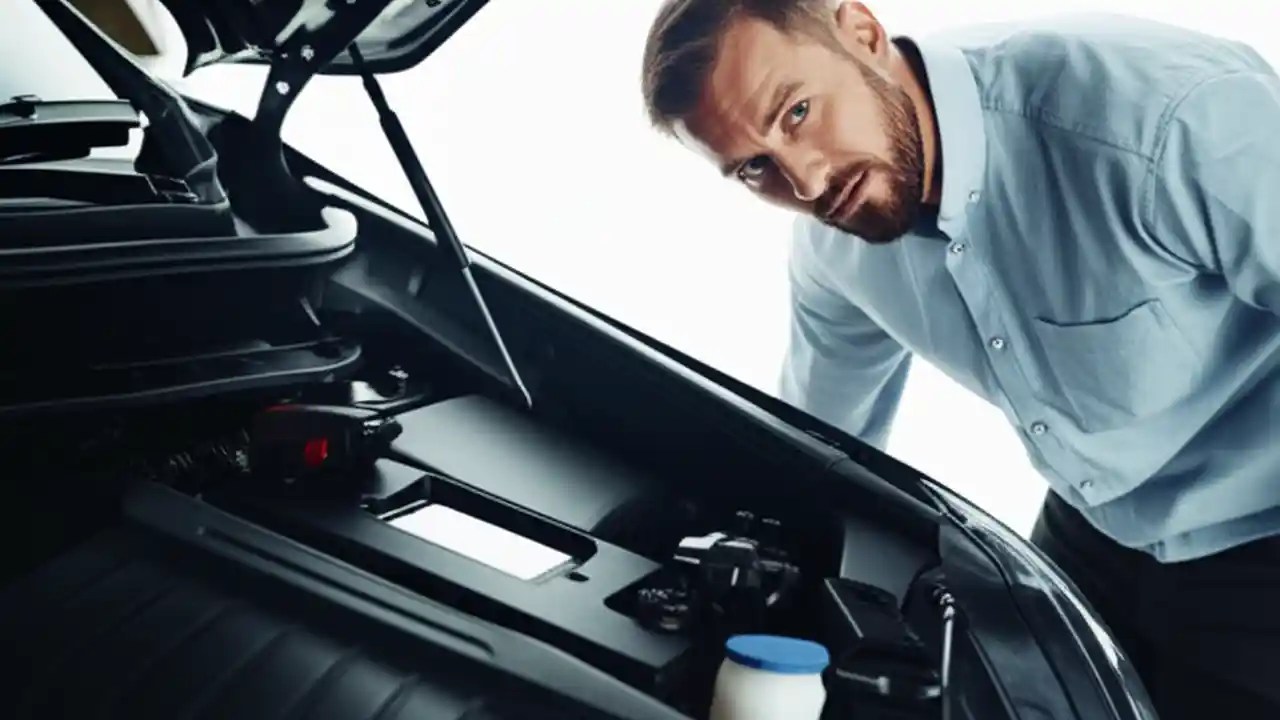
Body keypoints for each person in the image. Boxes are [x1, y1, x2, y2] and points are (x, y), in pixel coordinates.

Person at [640, 1, 1280, 717]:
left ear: (862, 33)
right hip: (1095, 527)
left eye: (797, 113)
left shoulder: (1165, 120)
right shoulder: (835, 247)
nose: (808, 184)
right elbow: (819, 444)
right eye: (756, 167)